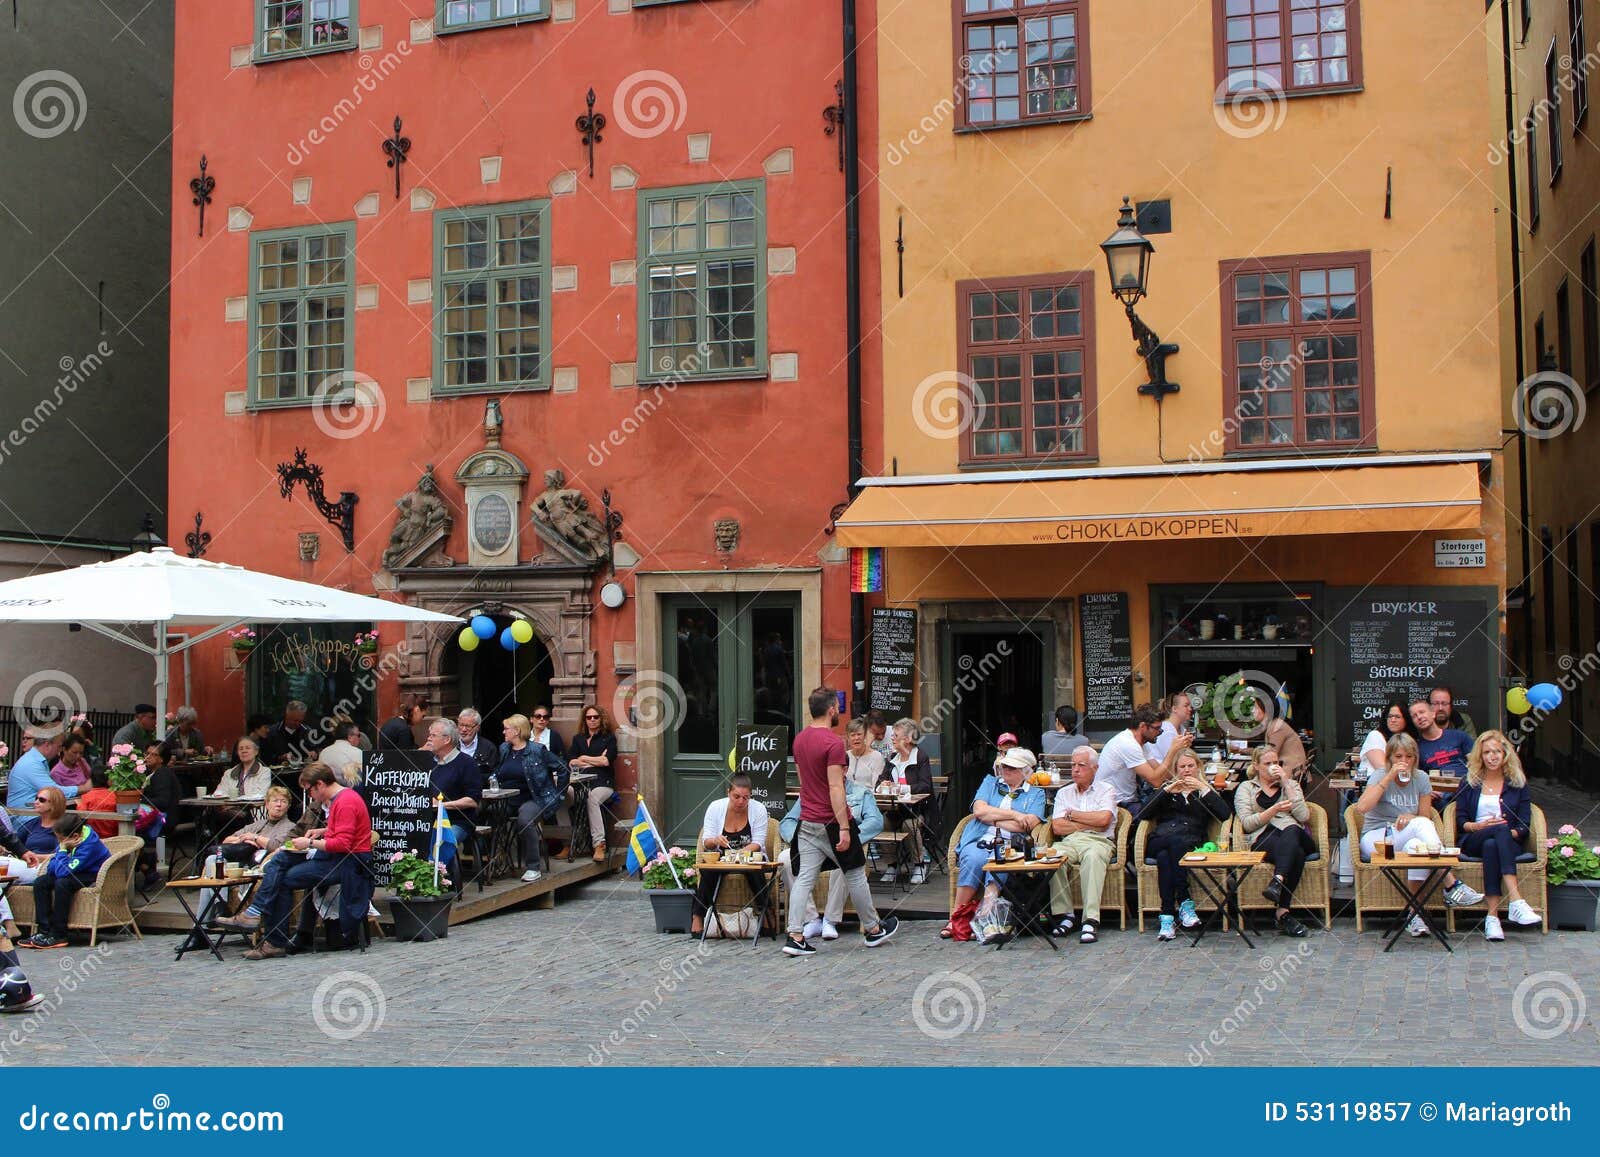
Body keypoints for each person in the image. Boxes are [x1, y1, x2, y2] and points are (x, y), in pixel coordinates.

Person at [782, 687, 897, 955]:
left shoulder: (799, 740)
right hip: (831, 820)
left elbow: (804, 782)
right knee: (855, 872)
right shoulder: (833, 743)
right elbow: (836, 787)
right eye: (837, 707)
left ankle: (795, 936)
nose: (838, 711)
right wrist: (844, 826)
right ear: (832, 708)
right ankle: (873, 929)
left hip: (808, 819)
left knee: (804, 878)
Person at [217, 765, 373, 960]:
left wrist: (309, 842)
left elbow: (343, 844)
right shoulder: (342, 798)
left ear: (320, 784)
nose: (309, 794)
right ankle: (261, 924)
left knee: (281, 874)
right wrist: (322, 832)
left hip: (349, 863)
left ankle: (266, 928)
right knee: (281, 860)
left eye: (310, 789)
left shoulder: (345, 801)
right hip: (339, 859)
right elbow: (345, 831)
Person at [1355, 733, 1482, 936]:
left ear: (1415, 758)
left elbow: (1424, 816)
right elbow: (1361, 808)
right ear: (1389, 758)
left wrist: (1409, 816)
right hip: (1376, 838)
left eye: (1409, 757)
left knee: (1416, 846)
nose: (1404, 762)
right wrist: (1388, 777)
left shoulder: (1421, 778)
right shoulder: (1380, 775)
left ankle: (1415, 916)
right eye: (1398, 757)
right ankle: (1450, 883)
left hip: (1404, 835)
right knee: (1419, 831)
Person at [945, 747, 1048, 940]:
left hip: (1010, 844)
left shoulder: (1036, 794)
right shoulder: (990, 783)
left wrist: (992, 818)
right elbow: (979, 811)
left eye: (1012, 767)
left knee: (1000, 861)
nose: (1005, 770)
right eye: (1004, 766)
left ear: (1025, 771)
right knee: (973, 858)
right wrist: (1015, 815)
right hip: (980, 838)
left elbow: (1029, 824)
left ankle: (985, 920)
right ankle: (956, 917)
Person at [1138, 748, 1232, 941]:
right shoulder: (1168, 790)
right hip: (1160, 839)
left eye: (1191, 766)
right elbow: (1143, 814)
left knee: (1166, 858)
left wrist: (1203, 788)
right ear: (1176, 769)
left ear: (1198, 767)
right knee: (1172, 843)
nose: (1187, 770)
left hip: (1189, 844)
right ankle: (1184, 901)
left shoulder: (1205, 792)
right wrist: (1166, 791)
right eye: (1182, 767)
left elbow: (1225, 814)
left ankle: (1167, 918)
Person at [1456, 731, 1542, 940]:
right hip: (1474, 838)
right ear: (1480, 755)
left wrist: (1506, 832)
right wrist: (1480, 826)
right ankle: (1516, 900)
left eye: (1496, 751)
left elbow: (1523, 824)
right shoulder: (1470, 782)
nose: (1492, 756)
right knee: (1494, 834)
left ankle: (1492, 918)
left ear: (1505, 754)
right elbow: (1460, 821)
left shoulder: (1517, 783)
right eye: (1486, 752)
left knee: (1493, 845)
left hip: (1507, 841)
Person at [778, 779, 884, 942]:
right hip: (813, 846)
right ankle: (811, 919)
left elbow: (875, 821)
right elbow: (787, 821)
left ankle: (830, 919)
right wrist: (799, 840)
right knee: (785, 858)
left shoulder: (860, 793)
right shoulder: (811, 792)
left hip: (842, 844)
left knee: (846, 859)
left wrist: (852, 838)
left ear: (843, 769)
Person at [1233, 747, 1314, 938]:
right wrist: (1273, 810)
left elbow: (1304, 816)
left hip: (1296, 834)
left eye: (1276, 763)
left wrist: (1286, 782)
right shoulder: (1246, 788)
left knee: (1292, 830)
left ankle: (1277, 881)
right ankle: (1283, 913)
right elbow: (1247, 823)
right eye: (1267, 764)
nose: (1273, 767)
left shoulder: (1291, 784)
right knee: (1297, 854)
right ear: (1256, 766)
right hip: (1264, 837)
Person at [1047, 745, 1118, 944]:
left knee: (1093, 857)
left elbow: (1104, 820)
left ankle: (1090, 919)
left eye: (1081, 765)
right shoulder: (1064, 793)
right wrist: (1088, 822)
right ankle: (1065, 915)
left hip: (1100, 840)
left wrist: (1073, 815)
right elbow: (1058, 827)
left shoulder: (1107, 789)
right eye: (1073, 765)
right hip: (1070, 841)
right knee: (1054, 856)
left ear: (1095, 768)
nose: (1075, 769)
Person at [690, 775, 771, 936]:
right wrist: (716, 840)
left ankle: (766, 914)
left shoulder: (758, 809)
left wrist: (741, 854)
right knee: (708, 870)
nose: (741, 801)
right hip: (722, 856)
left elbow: (758, 843)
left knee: (755, 869)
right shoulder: (715, 807)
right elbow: (706, 841)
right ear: (728, 793)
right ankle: (697, 916)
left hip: (749, 855)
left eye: (746, 798)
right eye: (737, 797)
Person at [19, 814, 109, 950]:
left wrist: (62, 850)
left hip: (91, 874)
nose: (59, 842)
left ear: (75, 837)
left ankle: (59, 934)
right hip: (71, 870)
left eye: (60, 840)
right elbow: (51, 869)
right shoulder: (67, 839)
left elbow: (62, 872)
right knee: (41, 882)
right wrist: (62, 850)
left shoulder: (89, 846)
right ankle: (44, 931)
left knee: (62, 883)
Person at [498, 713, 569, 884]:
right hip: (507, 799)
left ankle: (533, 867)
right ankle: (499, 861)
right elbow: (499, 771)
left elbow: (563, 769)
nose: (503, 732)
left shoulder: (537, 750)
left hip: (534, 799)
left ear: (517, 731)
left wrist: (558, 796)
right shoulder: (504, 749)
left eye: (506, 729)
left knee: (525, 820)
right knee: (487, 813)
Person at [1095, 704, 1179, 813]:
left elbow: (1165, 776)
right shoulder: (1128, 744)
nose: (1160, 732)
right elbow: (1156, 782)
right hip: (1116, 803)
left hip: (1130, 799)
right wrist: (1172, 750)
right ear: (1143, 726)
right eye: (1157, 728)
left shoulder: (1142, 743)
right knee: (1165, 814)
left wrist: (1178, 750)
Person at [881, 718, 935, 884]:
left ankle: (919, 864)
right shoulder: (892, 758)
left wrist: (901, 788)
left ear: (908, 739)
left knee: (908, 825)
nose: (892, 738)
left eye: (896, 735)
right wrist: (884, 784)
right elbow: (880, 781)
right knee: (882, 822)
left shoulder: (920, 756)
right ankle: (892, 865)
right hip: (895, 810)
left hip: (918, 811)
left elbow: (925, 786)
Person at [565, 703, 618, 863]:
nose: (593, 720)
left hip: (603, 783)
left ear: (601, 719)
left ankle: (599, 844)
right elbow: (571, 762)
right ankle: (568, 842)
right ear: (585, 720)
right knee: (561, 796)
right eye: (589, 717)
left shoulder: (608, 738)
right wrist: (593, 760)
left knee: (592, 799)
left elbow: (606, 761)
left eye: (596, 717)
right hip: (579, 783)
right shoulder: (578, 739)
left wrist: (584, 758)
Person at [423, 718, 481, 855]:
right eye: (429, 735)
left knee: (441, 844)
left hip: (456, 821)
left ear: (447, 740)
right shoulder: (426, 762)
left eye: (433, 735)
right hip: (427, 820)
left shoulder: (467, 763)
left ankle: (440, 875)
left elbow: (472, 800)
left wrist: (441, 805)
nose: (428, 738)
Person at [138, 742, 183, 890]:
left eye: (153, 755)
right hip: (153, 816)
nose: (148, 757)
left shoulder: (162, 774)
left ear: (162, 759)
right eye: (147, 753)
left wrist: (139, 799)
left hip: (164, 818)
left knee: (134, 833)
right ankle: (148, 870)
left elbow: (162, 802)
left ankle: (148, 871)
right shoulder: (148, 773)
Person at [219, 786, 297, 865]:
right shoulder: (258, 824)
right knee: (213, 858)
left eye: (283, 801)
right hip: (239, 862)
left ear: (288, 806)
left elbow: (277, 846)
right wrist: (244, 840)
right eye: (275, 801)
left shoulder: (290, 827)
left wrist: (255, 838)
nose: (279, 804)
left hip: (264, 864)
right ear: (267, 804)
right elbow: (227, 840)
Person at [1409, 698, 1471, 790]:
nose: (1419, 717)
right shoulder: (1416, 748)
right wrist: (1426, 791)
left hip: (1465, 790)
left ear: (1433, 714)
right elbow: (1416, 780)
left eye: (1422, 712)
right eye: (1414, 716)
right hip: (1438, 796)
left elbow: (1476, 763)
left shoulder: (1459, 736)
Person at [6, 727, 70, 808]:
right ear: (47, 745)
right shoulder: (31, 763)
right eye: (59, 746)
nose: (60, 750)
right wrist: (82, 788)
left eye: (28, 738)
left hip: (35, 812)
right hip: (28, 816)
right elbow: (53, 792)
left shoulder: (38, 760)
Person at [1249, 697, 1307, 781]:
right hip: (1291, 770)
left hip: (1289, 774)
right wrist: (1241, 750)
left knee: (1249, 775)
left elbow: (1268, 754)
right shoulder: (1273, 724)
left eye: (1256, 707)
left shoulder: (1275, 727)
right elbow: (1265, 751)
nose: (1252, 711)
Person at [1357, 699, 1413, 782]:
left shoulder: (1408, 740)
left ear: (1406, 719)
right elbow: (1381, 768)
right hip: (1369, 783)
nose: (1393, 720)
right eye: (1390, 716)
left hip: (1398, 784)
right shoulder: (1375, 735)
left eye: (1397, 717)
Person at [259, 701, 313, 765]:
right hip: (278, 772)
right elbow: (264, 758)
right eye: (294, 720)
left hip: (302, 771)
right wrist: (280, 758)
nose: (297, 723)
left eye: (300, 721)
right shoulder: (271, 732)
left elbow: (315, 749)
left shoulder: (307, 731)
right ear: (286, 716)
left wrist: (314, 753)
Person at [75, 768, 120, 839]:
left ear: (91, 780)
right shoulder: (115, 796)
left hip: (93, 837)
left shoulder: (86, 797)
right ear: (108, 781)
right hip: (114, 835)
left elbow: (80, 814)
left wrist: (79, 804)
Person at [319, 720, 366, 787]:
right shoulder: (357, 752)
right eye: (358, 735)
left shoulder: (323, 752)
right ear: (350, 737)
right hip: (350, 794)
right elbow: (365, 778)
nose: (360, 738)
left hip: (326, 793)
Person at [457, 708, 501, 775]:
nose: (463, 729)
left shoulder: (489, 748)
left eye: (468, 726)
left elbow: (493, 774)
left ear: (477, 727)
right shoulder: (450, 744)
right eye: (461, 725)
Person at [844, 718, 885, 791]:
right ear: (848, 738)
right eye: (853, 735)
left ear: (865, 735)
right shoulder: (845, 756)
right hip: (848, 799)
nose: (856, 738)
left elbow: (877, 786)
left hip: (868, 798)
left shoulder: (876, 757)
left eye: (859, 734)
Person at [1152, 694, 1194, 761]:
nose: (1190, 709)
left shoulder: (1182, 729)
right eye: (1186, 706)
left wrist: (1187, 746)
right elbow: (1172, 761)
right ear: (1174, 709)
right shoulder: (1165, 731)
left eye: (1190, 706)